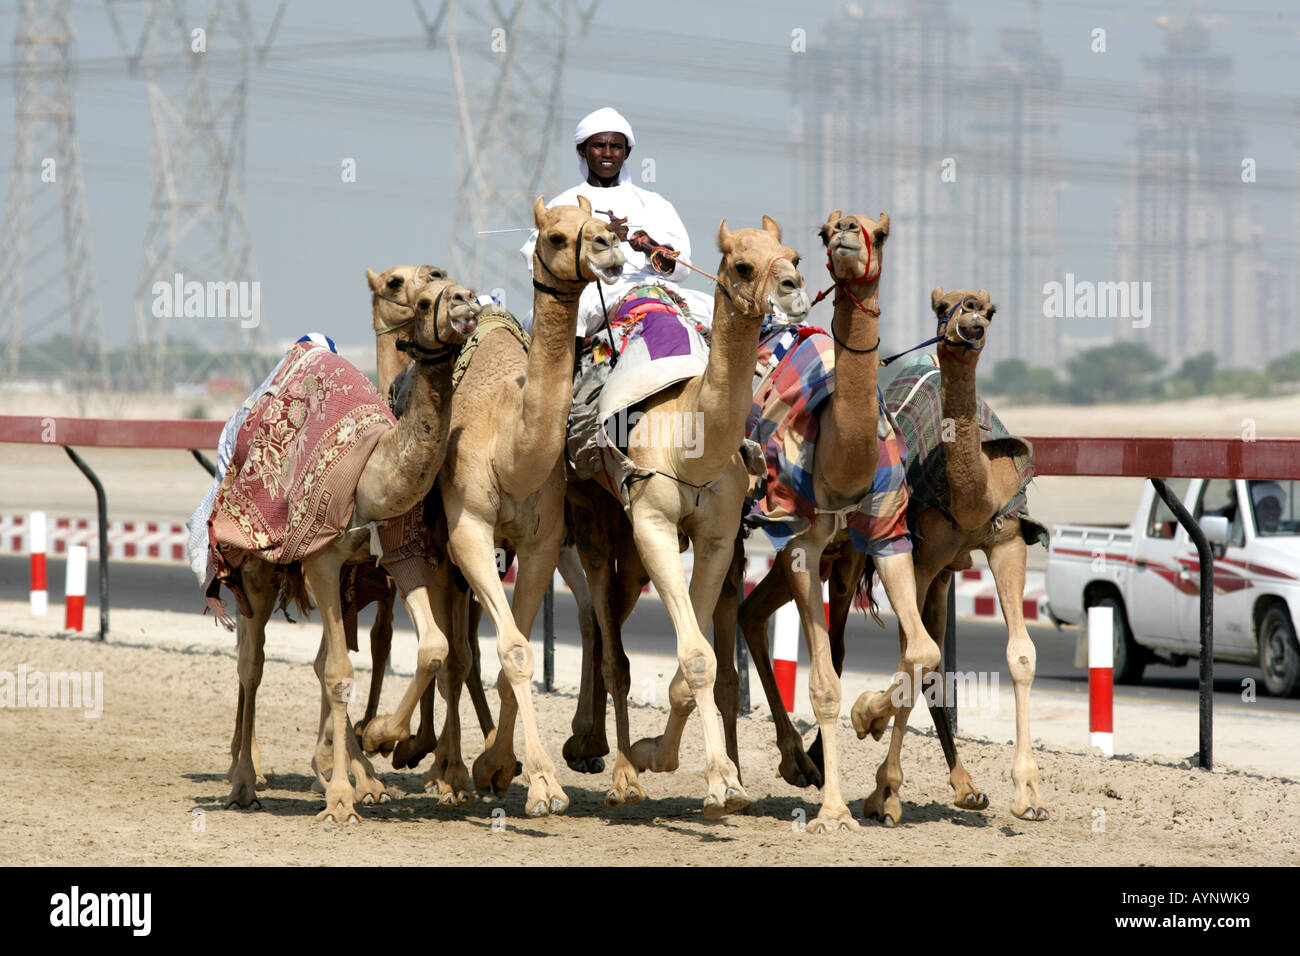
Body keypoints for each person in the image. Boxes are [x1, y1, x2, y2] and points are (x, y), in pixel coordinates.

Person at [519, 106, 714, 336]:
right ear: (582, 150)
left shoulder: (653, 203)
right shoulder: (564, 204)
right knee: (554, 321)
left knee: (722, 313)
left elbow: (682, 268)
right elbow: (537, 261)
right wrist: (598, 237)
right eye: (599, 146)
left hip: (655, 288)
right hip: (591, 292)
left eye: (616, 147)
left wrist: (652, 247)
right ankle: (568, 371)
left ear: (626, 152)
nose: (608, 153)